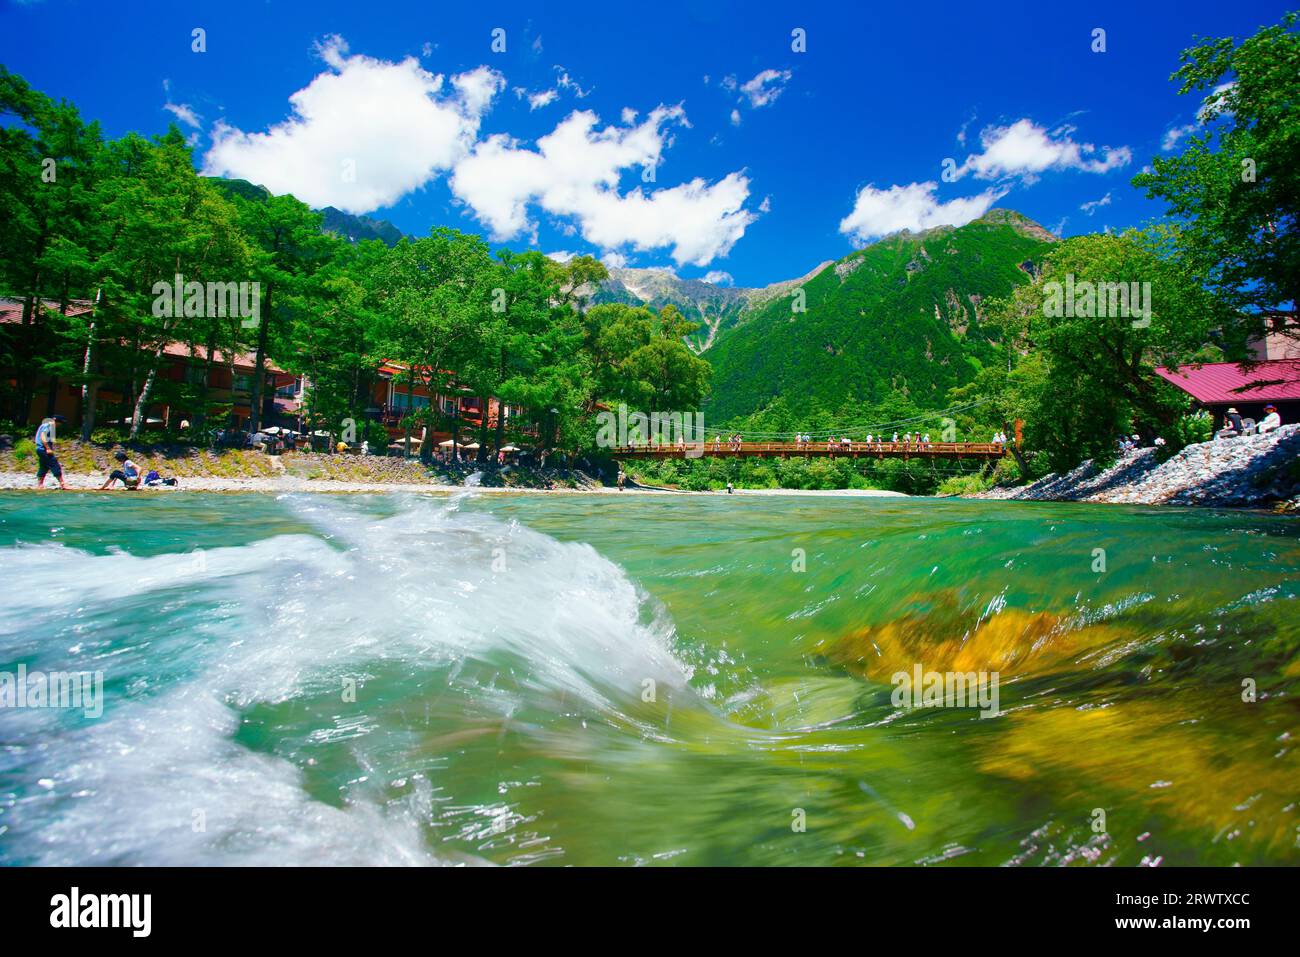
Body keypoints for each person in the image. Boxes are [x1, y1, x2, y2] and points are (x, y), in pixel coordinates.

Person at [34, 415, 69, 490]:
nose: (59, 425)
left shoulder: (45, 425)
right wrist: (48, 448)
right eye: (60, 423)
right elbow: (43, 437)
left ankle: (40, 485)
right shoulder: (48, 425)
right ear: (56, 421)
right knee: (54, 464)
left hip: (39, 449)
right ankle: (63, 484)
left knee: (44, 466)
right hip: (43, 449)